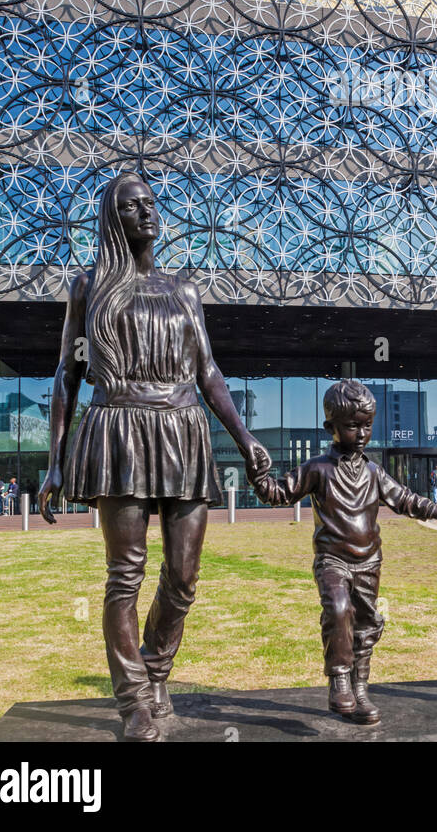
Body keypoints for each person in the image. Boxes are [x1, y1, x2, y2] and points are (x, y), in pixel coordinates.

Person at [38, 172, 271, 743]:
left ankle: (156, 669)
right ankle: (135, 700)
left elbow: (208, 370)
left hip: (183, 428)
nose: (147, 212)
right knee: (126, 574)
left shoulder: (184, 290)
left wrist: (245, 437)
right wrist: (54, 459)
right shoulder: (88, 286)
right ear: (113, 218)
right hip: (118, 426)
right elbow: (66, 377)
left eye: (150, 203)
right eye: (132, 205)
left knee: (183, 576)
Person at [249, 379, 437, 724]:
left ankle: (360, 689)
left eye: (367, 425)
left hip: (369, 562)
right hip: (333, 560)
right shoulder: (317, 469)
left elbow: (408, 500)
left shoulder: (374, 472)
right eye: (352, 425)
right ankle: (339, 679)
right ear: (330, 428)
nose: (362, 433)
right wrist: (258, 474)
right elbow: (279, 493)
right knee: (338, 609)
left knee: (365, 626)